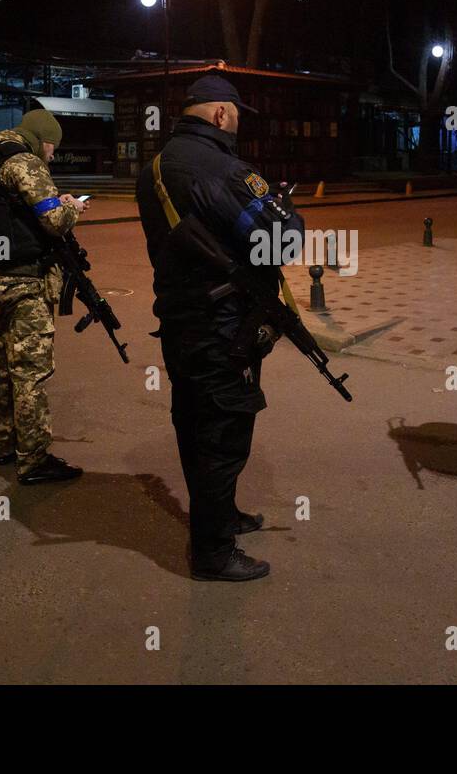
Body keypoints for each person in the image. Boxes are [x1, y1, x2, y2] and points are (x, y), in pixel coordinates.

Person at [136, 75, 304, 581]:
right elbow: (283, 243)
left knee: (193, 421)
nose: (235, 126)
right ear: (221, 115)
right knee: (224, 431)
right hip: (223, 325)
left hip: (180, 317)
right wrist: (286, 212)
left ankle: (221, 514)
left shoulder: (156, 167)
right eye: (236, 117)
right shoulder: (226, 170)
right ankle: (213, 551)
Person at [0, 108, 87, 484]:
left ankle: (4, 444)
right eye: (52, 148)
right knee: (30, 375)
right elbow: (54, 221)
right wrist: (73, 207)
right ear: (42, 139)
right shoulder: (25, 162)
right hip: (25, 285)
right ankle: (33, 460)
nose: (52, 156)